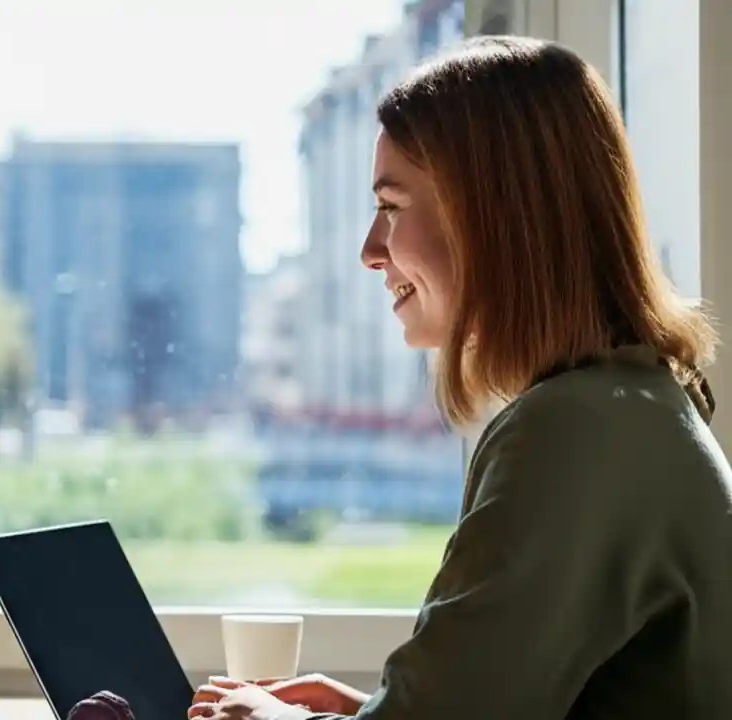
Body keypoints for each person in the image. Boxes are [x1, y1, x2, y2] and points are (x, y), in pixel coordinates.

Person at [188, 35, 732, 719]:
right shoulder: (636, 405)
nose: (369, 251)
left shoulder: (570, 435)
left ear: (490, 215)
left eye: (391, 207)